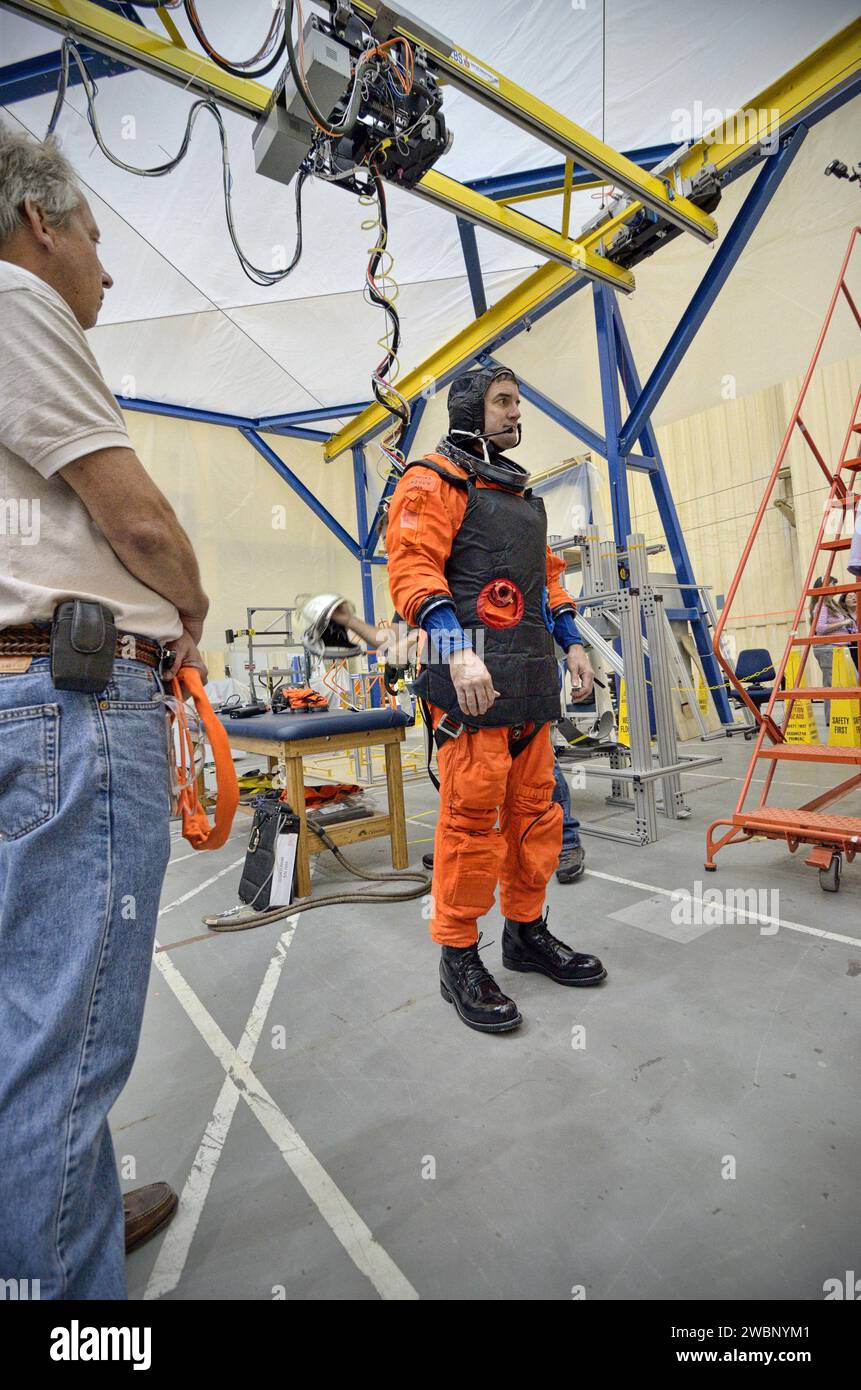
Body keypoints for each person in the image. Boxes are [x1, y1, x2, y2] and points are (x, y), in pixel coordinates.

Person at [0, 126, 208, 1297]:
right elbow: (138, 525)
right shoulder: (16, 296)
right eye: (92, 235)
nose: (106, 269)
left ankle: (56, 1216)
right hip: (68, 703)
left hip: (23, 696)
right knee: (65, 1055)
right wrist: (192, 602)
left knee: (29, 1030)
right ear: (39, 221)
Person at [386, 363, 607, 1034]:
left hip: (528, 684)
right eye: (503, 402)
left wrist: (571, 641)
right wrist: (455, 651)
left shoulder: (522, 498)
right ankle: (457, 957)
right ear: (468, 411)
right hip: (469, 689)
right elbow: (413, 569)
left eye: (517, 402)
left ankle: (524, 932)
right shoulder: (431, 481)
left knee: (534, 818)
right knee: (469, 826)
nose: (516, 414)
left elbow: (544, 583)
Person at [810, 576, 854, 726]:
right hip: (829, 649)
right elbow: (820, 629)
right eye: (832, 585)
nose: (835, 587)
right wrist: (843, 622)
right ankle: (832, 720)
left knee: (849, 681)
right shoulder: (821, 606)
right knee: (831, 684)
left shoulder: (833, 605)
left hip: (840, 648)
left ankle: (844, 716)